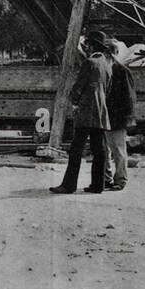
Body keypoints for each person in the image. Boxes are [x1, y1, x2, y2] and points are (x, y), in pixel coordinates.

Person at [50, 30, 112, 194]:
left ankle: (68, 185)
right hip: (101, 114)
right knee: (99, 150)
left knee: (76, 149)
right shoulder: (107, 65)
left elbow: (79, 86)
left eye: (87, 45)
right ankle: (98, 185)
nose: (86, 48)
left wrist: (74, 102)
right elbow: (107, 90)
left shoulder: (89, 63)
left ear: (91, 46)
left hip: (86, 112)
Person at [105, 48, 137, 191]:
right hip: (105, 117)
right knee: (104, 150)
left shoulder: (122, 71)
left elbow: (129, 98)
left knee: (118, 150)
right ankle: (106, 178)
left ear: (110, 55)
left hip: (117, 117)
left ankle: (120, 180)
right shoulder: (105, 70)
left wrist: (128, 118)